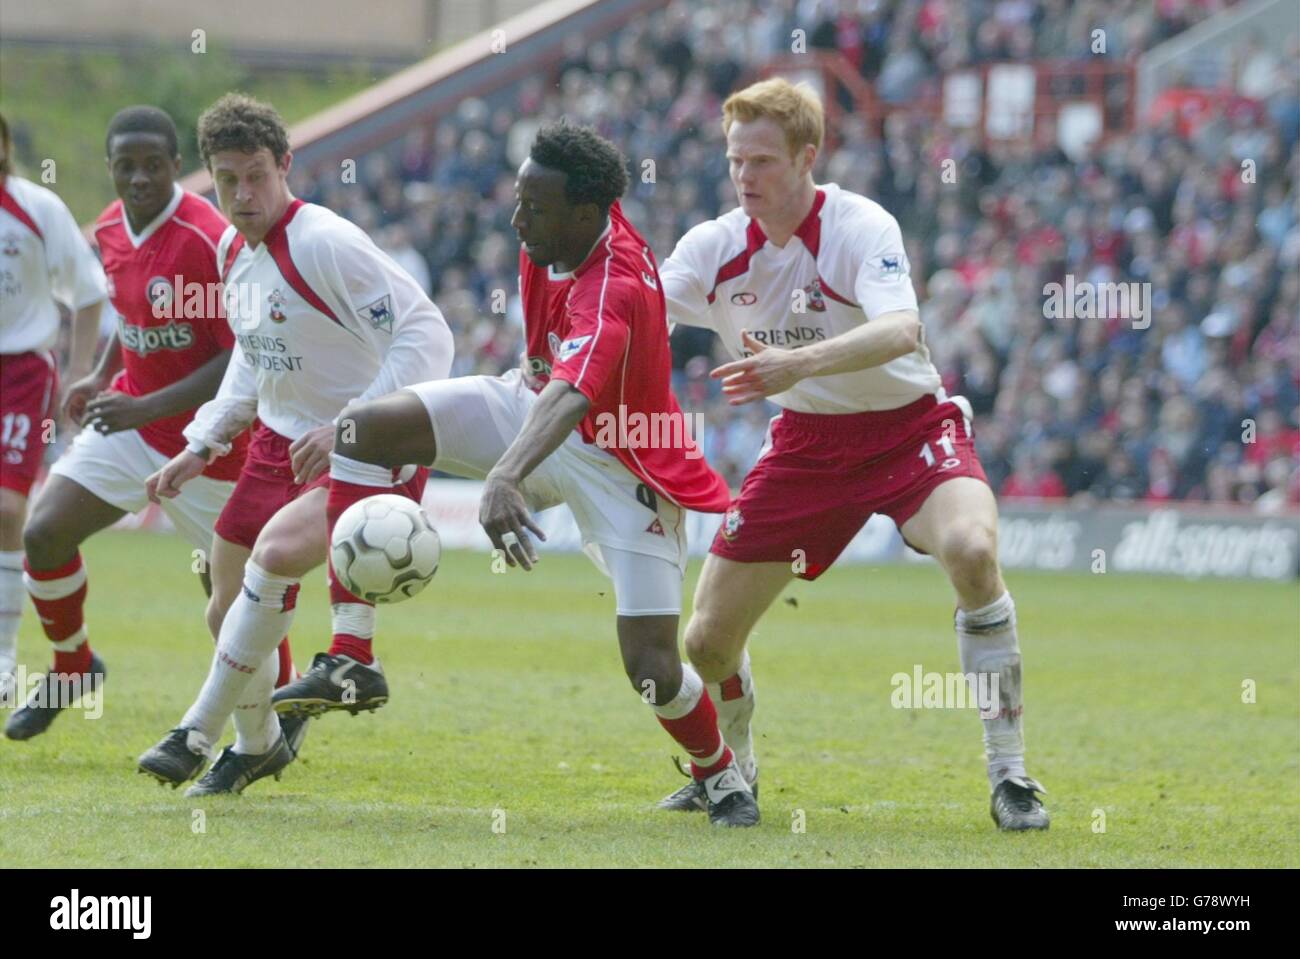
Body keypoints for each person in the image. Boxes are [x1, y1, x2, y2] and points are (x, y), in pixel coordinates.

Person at [271, 121, 759, 826]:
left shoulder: (613, 283)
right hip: (528, 403)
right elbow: (551, 389)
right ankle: (351, 656)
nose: (516, 217)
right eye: (519, 197)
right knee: (360, 430)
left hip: (624, 461)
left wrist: (503, 476)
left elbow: (575, 393)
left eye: (534, 206)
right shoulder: (570, 221)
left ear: (586, 215)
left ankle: (721, 777)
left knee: (651, 664)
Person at [659, 78, 1049, 830]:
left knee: (971, 551)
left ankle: (1012, 774)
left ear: (809, 157)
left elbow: (903, 331)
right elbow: (636, 309)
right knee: (706, 641)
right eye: (736, 160)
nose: (746, 177)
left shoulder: (861, 224)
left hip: (910, 428)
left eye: (764, 161)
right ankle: (733, 768)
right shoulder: (711, 248)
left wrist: (797, 364)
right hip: (807, 446)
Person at [136, 93, 453, 796]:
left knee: (275, 557)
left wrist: (355, 423)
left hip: (365, 446)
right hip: (277, 445)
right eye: (227, 180)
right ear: (209, 180)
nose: (243, 194)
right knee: (223, 605)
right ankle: (260, 745)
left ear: (285, 165)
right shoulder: (230, 249)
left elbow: (428, 331)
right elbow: (255, 355)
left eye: (256, 175)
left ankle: (196, 729)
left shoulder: (324, 242)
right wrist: (203, 442)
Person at [8, 105, 254, 741]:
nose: (139, 177)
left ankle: (266, 725)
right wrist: (99, 375)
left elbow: (236, 357)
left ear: (178, 166)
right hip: (130, 426)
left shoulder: (207, 237)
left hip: (210, 449)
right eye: (126, 166)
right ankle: (72, 665)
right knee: (43, 534)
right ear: (110, 169)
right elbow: (131, 316)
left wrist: (144, 406)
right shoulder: (112, 227)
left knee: (234, 602)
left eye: (153, 165)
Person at [0, 113, 108, 707]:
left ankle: (5, 656)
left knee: (8, 507)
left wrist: (79, 374)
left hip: (18, 371)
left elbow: (88, 292)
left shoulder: (37, 209)